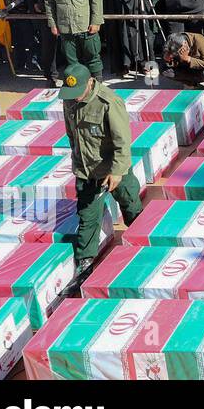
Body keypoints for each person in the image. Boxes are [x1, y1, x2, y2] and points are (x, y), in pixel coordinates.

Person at [59, 63, 143, 277]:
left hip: (114, 168)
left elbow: (122, 141)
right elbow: (72, 134)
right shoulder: (69, 99)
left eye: (78, 92)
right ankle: (85, 267)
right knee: (87, 218)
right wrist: (78, 161)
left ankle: (144, 251)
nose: (75, 98)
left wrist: (117, 171)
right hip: (86, 171)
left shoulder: (108, 102)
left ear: (90, 82)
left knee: (132, 208)